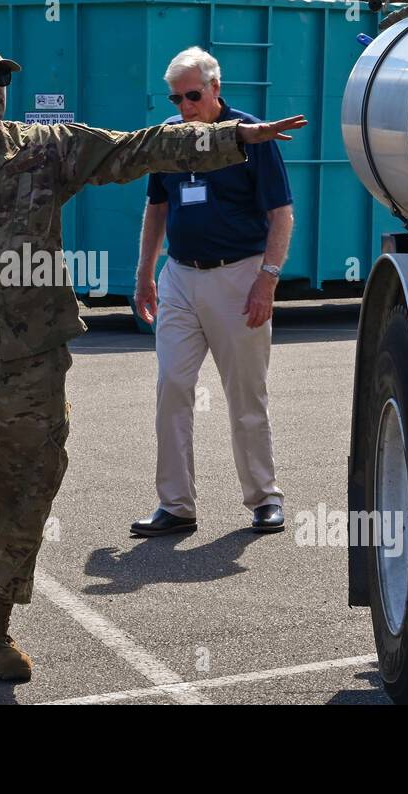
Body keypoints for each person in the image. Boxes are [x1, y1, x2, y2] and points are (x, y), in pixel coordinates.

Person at [0, 40, 306, 701]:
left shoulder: (46, 148)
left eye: (0, 78)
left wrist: (232, 138)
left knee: (25, 496)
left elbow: (137, 150)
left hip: (33, 361)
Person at [131, 47, 295, 538]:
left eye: (193, 96)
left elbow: (281, 214)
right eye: (177, 98)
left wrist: (267, 278)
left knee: (245, 394)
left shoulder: (253, 136)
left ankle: (264, 497)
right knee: (172, 388)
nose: (185, 106)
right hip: (180, 276)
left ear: (216, 89)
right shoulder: (169, 140)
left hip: (239, 275)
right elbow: (156, 209)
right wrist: (144, 273)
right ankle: (176, 505)